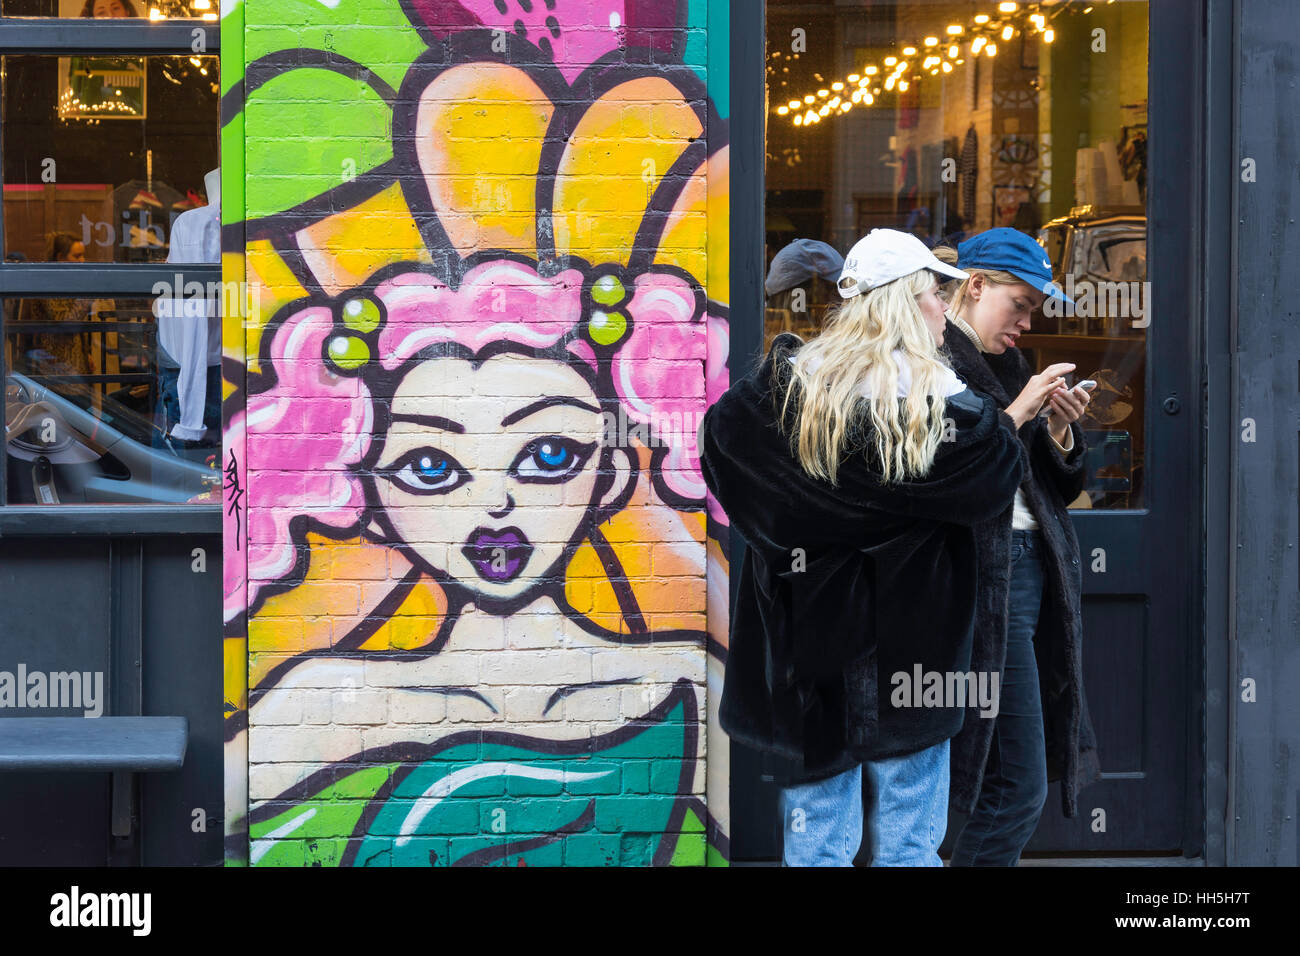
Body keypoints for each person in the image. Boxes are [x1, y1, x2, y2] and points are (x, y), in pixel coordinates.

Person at [699, 228, 1028, 866]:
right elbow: (994, 473)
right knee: (910, 841)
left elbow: (726, 450)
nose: (945, 308)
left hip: (810, 645)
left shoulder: (780, 397)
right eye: (934, 293)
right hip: (917, 652)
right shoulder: (945, 405)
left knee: (817, 841)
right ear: (906, 302)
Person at [935, 228, 1102, 866]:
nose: (1026, 324)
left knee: (1007, 778)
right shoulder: (931, 360)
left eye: (1033, 310)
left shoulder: (1006, 364)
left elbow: (1049, 485)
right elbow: (946, 476)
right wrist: (1023, 409)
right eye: (1021, 305)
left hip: (1031, 573)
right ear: (975, 286)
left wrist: (1058, 428)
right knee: (1016, 786)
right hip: (984, 577)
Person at [14, 233, 95, 389]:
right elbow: (66, 322)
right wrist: (86, 295)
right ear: (60, 257)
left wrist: (86, 354)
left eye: (83, 255)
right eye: (77, 256)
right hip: (57, 371)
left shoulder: (68, 282)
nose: (82, 260)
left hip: (73, 370)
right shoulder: (49, 283)